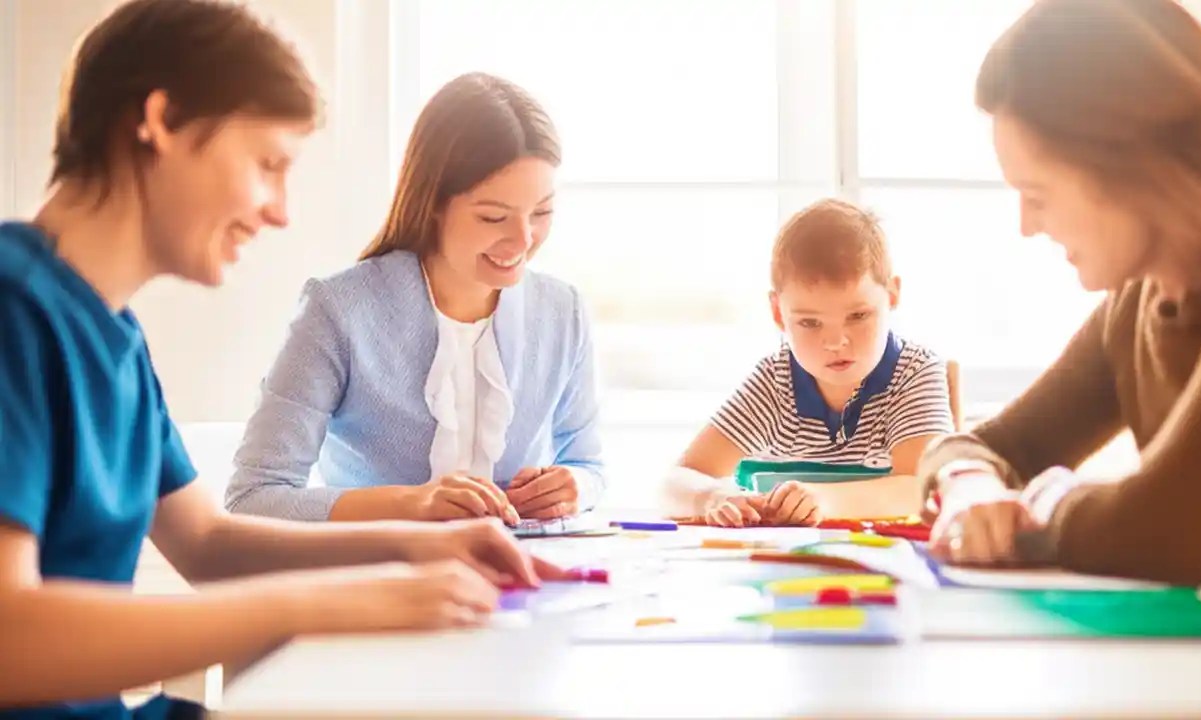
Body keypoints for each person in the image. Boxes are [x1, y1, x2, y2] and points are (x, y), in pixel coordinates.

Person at [0, 3, 560, 717]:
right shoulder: (14, 309)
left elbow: (206, 542)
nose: (280, 211)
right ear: (162, 122)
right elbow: (8, 638)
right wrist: (346, 597)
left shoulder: (115, 337)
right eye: (268, 165)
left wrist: (428, 546)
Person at [919, 0, 1201, 599]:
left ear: (1133, 167)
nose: (1026, 226)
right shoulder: (1140, 302)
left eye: (1038, 193)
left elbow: (1173, 533)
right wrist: (969, 485)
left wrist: (1045, 500)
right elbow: (989, 444)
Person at [225, 72, 605, 525]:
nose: (523, 239)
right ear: (433, 203)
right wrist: (411, 504)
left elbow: (589, 466)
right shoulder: (339, 310)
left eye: (542, 212)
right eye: (493, 217)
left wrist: (574, 488)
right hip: (382, 579)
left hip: (522, 578)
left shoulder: (564, 312)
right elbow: (254, 498)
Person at [662, 199, 955, 527]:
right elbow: (676, 480)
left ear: (892, 295)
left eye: (858, 316)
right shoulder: (775, 381)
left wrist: (824, 499)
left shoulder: (914, 371)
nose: (835, 342)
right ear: (778, 313)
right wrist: (712, 497)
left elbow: (921, 487)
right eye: (810, 323)